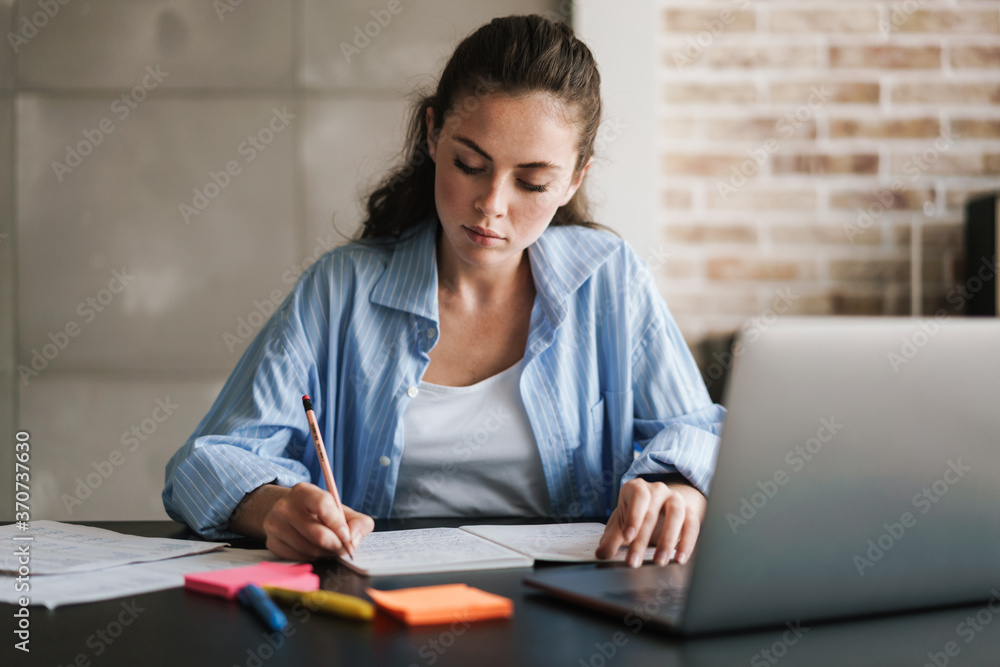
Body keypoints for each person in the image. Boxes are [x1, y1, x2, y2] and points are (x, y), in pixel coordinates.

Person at [163, 14, 725, 569]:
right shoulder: (341, 291)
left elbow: (698, 432)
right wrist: (272, 507)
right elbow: (205, 461)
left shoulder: (610, 280)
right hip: (379, 613)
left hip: (567, 608)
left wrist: (678, 486)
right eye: (470, 164)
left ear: (575, 178)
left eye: (532, 182)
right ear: (433, 134)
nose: (492, 205)